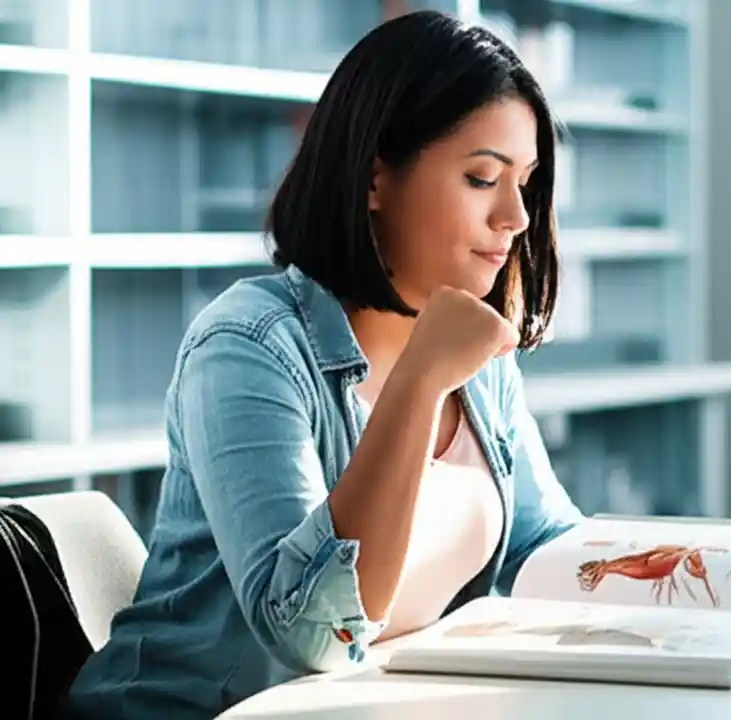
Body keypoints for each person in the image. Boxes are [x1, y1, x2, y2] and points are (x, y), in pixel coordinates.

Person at [61, 10, 582, 718]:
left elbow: (543, 546)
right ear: (375, 180)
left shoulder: (477, 358)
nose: (517, 216)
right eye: (482, 177)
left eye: (527, 180)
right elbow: (312, 631)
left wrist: (727, 580)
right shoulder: (249, 346)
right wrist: (421, 381)